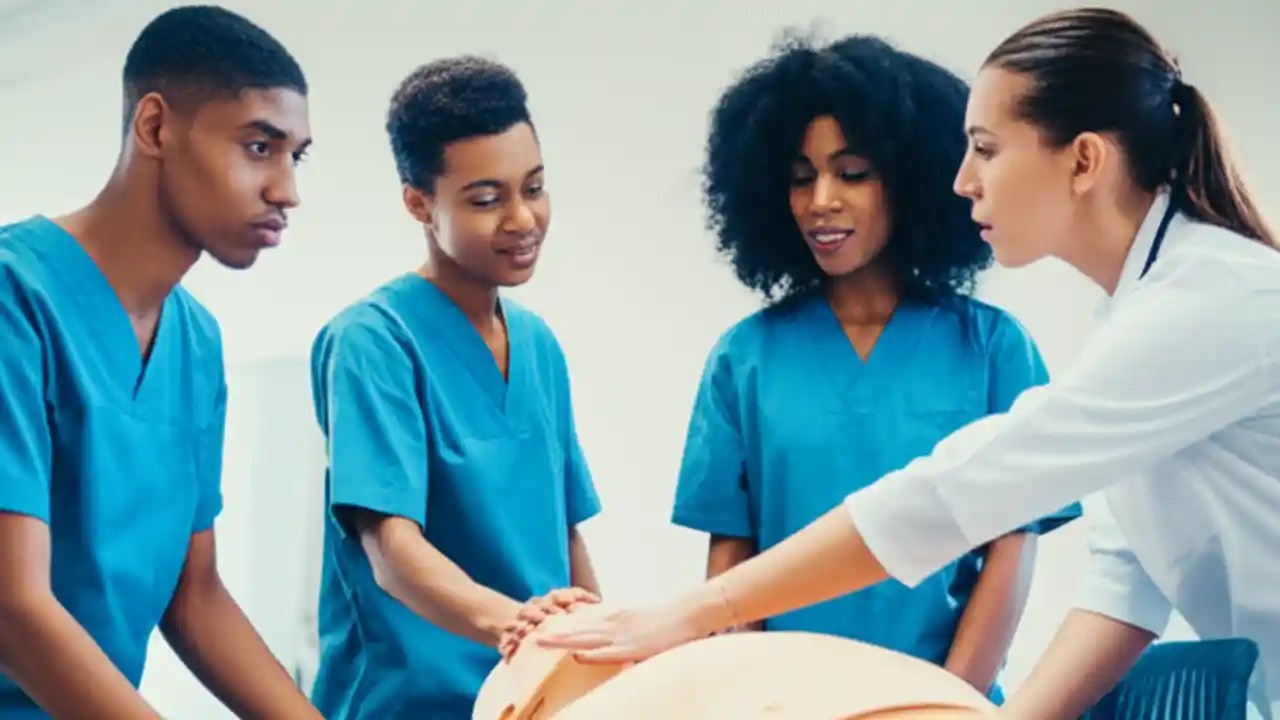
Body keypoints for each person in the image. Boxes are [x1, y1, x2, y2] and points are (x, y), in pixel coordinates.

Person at [529, 8, 1280, 720]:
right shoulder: (1140, 315)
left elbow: (954, 494)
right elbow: (1129, 584)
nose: (963, 180)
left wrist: (691, 613)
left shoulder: (1207, 302)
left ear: (1084, 160)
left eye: (986, 148)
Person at [667, 33, 1079, 700]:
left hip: (940, 703)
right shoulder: (743, 360)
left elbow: (1012, 551)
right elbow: (729, 573)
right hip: (783, 706)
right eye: (801, 178)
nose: (820, 200)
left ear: (910, 179)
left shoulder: (995, 351)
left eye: (851, 172)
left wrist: (943, 704)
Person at [0, 6, 320, 719]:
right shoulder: (14, 298)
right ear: (155, 128)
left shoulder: (196, 346)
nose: (287, 190)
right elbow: (13, 610)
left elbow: (194, 595)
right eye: (258, 147)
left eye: (295, 156)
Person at [307, 55, 604, 719]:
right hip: (408, 702)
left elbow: (566, 537)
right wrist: (519, 627)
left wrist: (603, 654)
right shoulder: (373, 342)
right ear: (418, 202)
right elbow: (392, 550)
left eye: (534, 187)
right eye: (486, 199)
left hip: (532, 695)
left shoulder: (539, 346)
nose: (523, 219)